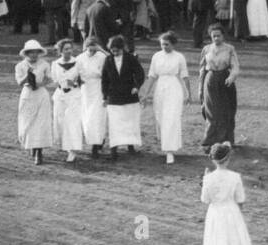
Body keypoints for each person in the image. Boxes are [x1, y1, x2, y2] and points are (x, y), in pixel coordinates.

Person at [201, 141, 254, 245]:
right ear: (228, 159)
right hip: (230, 212)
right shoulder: (235, 177)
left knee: (213, 239)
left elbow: (205, 199)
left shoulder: (208, 178)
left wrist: (205, 181)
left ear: (213, 160)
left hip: (215, 212)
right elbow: (240, 198)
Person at [146, 31, 190, 164]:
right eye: (162, 44)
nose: (164, 47)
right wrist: (147, 93)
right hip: (160, 89)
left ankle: (169, 151)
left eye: (167, 44)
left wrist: (188, 93)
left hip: (174, 89)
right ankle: (167, 145)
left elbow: (184, 75)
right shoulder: (156, 56)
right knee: (160, 117)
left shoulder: (179, 57)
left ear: (173, 44)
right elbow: (152, 75)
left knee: (171, 118)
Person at [101, 34, 145, 157]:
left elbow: (140, 73)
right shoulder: (108, 60)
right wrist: (105, 96)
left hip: (129, 95)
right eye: (112, 50)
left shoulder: (131, 58)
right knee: (115, 123)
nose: (114, 53)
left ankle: (130, 146)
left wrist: (136, 86)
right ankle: (114, 149)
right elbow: (104, 79)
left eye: (117, 50)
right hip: (114, 96)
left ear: (122, 48)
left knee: (130, 122)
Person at [199, 23, 240, 151]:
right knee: (211, 111)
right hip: (210, 81)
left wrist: (231, 77)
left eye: (218, 36)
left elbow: (235, 66)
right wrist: (200, 88)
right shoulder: (206, 49)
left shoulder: (230, 49)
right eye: (213, 36)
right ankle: (210, 142)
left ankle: (226, 141)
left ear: (223, 36)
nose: (216, 38)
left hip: (225, 81)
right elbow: (202, 69)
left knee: (227, 111)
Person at [15, 40, 54, 166]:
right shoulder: (20, 66)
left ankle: (39, 152)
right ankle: (32, 146)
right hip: (27, 94)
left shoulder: (45, 64)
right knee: (28, 122)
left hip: (41, 95)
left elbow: (49, 79)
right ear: (26, 53)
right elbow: (20, 82)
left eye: (36, 52)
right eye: (31, 52)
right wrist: (28, 74)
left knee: (41, 124)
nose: (33, 55)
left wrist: (40, 84)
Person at [50, 40, 85, 163]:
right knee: (60, 121)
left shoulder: (78, 62)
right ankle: (65, 145)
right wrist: (62, 82)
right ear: (60, 51)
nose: (69, 51)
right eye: (66, 49)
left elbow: (84, 79)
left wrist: (74, 83)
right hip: (60, 95)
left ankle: (72, 150)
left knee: (73, 121)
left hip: (74, 95)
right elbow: (54, 79)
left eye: (70, 48)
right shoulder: (55, 64)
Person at [75, 36, 108, 158]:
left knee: (98, 116)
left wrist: (102, 50)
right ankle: (92, 140)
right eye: (90, 48)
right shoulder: (80, 58)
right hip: (86, 89)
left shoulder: (103, 57)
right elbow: (76, 73)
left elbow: (111, 64)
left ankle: (97, 143)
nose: (92, 51)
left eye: (95, 47)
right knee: (87, 116)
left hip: (99, 88)